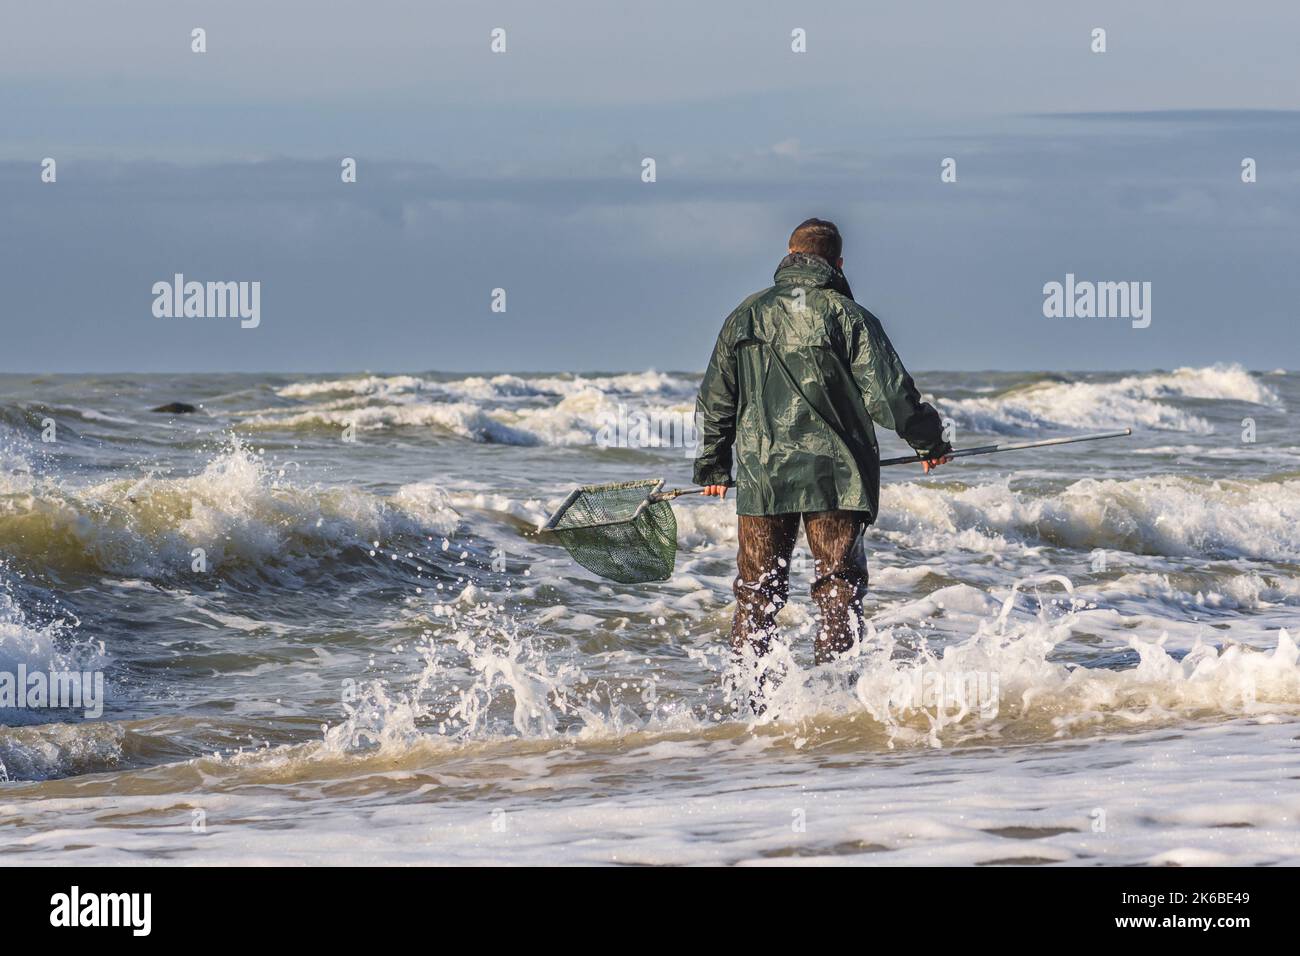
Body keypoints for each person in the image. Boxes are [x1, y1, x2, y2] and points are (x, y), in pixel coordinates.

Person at [693, 218, 951, 667]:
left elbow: (717, 398)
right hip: (836, 478)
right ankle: (833, 700)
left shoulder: (746, 314)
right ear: (838, 263)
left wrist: (714, 467)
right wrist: (928, 443)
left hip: (763, 476)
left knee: (757, 595)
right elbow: (891, 396)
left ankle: (753, 706)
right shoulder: (849, 317)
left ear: (789, 255)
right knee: (838, 590)